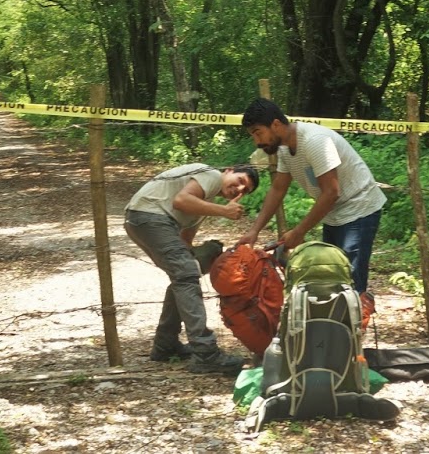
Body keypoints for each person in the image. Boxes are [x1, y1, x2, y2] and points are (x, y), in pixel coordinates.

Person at [237, 99, 387, 294]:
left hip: (359, 207)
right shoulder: (284, 148)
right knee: (331, 275)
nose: (257, 142)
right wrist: (254, 231)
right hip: (334, 213)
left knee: (349, 281)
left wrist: (298, 232)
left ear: (275, 124)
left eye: (258, 133)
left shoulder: (314, 141)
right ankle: (336, 322)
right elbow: (278, 189)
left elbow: (331, 192)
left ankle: (355, 322)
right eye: (253, 136)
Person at [123, 162, 259, 374]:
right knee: (186, 273)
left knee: (184, 273)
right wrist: (224, 211)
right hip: (150, 217)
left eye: (245, 191)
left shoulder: (205, 200)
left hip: (143, 219)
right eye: (240, 181)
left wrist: (208, 256)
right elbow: (181, 201)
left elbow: (186, 240)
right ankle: (205, 353)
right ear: (229, 170)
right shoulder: (212, 175)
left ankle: (165, 345)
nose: (239, 189)